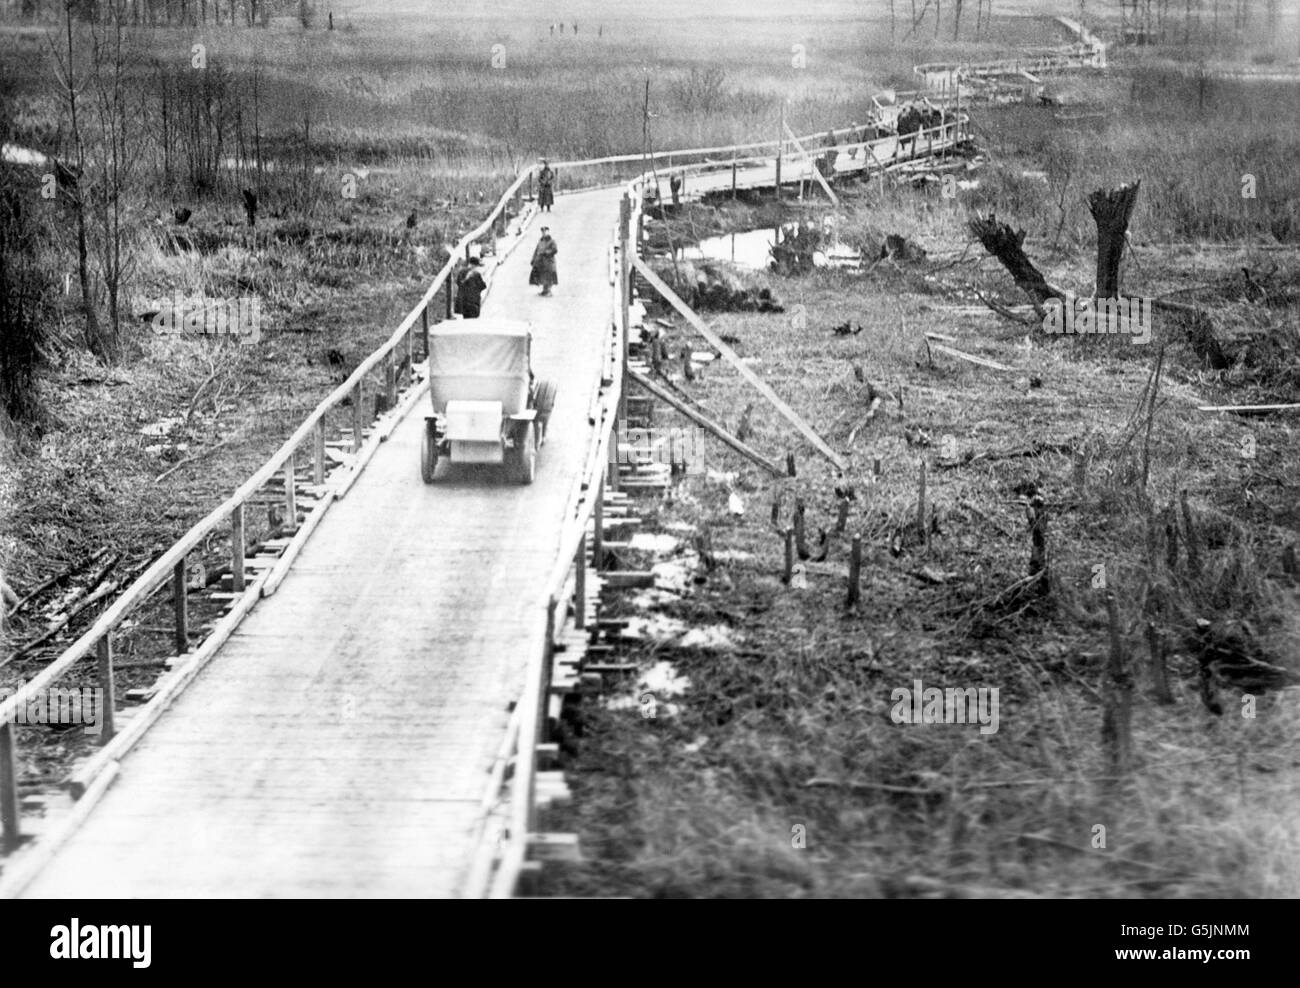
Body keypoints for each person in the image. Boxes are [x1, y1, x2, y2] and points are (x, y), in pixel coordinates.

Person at [529, 227, 558, 297]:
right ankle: (544, 291)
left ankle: (549, 291)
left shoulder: (552, 241)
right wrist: (533, 259)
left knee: (549, 276)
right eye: (542, 232)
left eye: (545, 231)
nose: (544, 233)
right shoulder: (540, 241)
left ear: (548, 232)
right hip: (541, 262)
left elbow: (555, 250)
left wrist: (546, 252)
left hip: (549, 262)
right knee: (542, 276)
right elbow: (536, 250)